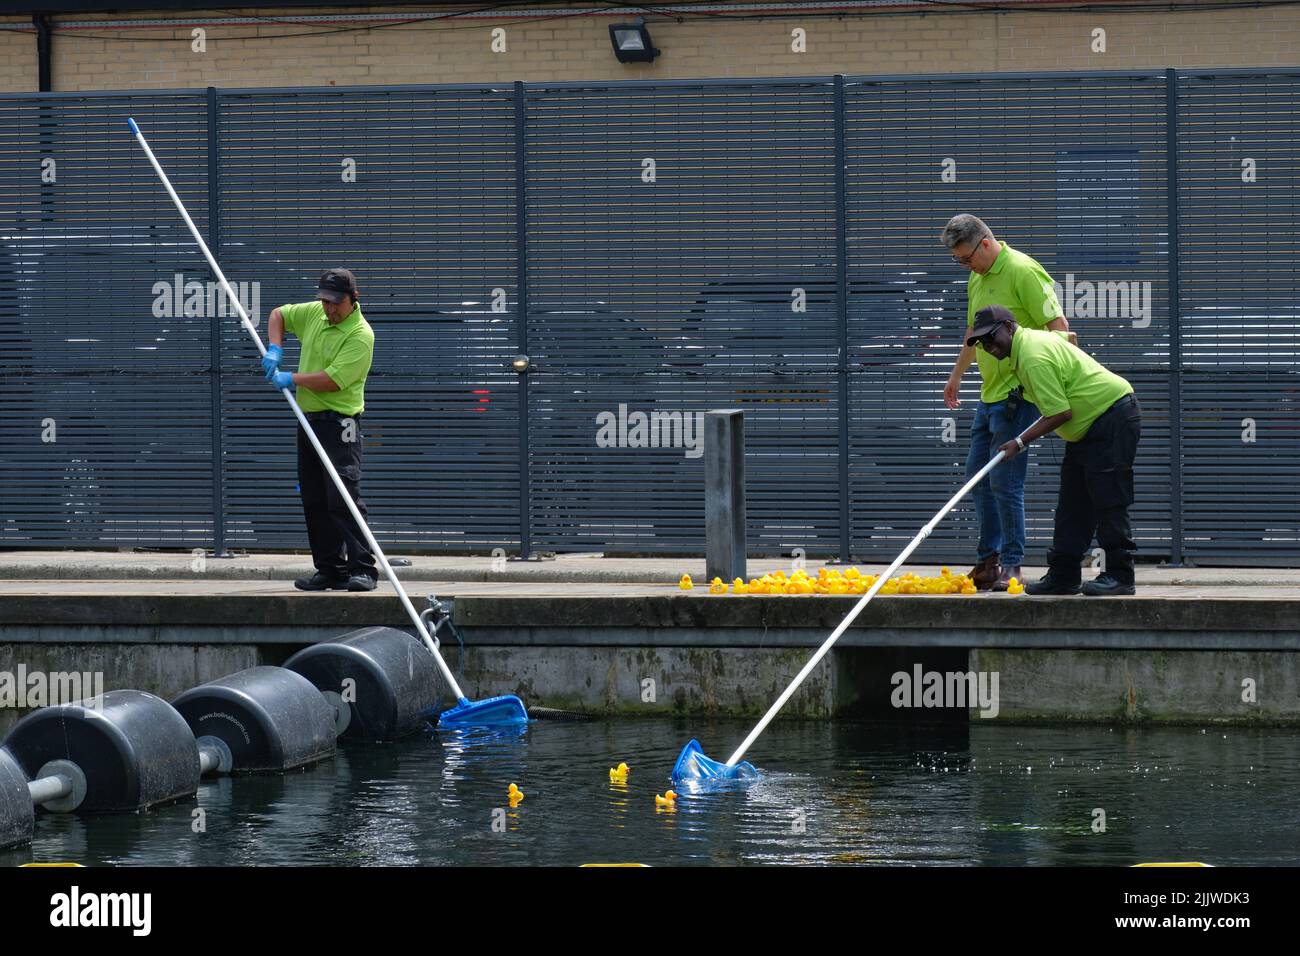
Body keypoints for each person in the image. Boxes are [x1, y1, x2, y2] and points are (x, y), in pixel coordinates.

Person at [966, 305, 1141, 596]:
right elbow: (1065, 341)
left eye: (991, 337)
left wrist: (1019, 442)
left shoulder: (1032, 356)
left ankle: (1121, 576)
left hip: (1110, 416)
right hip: (1088, 426)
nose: (988, 346)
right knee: (1072, 503)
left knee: (1109, 498)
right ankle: (1064, 575)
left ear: (1010, 327)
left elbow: (1060, 413)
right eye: (982, 342)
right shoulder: (1028, 347)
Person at [941, 214, 1071, 591]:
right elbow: (971, 331)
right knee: (976, 479)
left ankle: (1012, 563)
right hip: (988, 393)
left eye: (966, 258)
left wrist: (1043, 383)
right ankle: (988, 561)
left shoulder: (1024, 271)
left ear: (985, 243)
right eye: (959, 262)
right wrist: (957, 374)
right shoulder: (976, 276)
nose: (965, 266)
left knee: (1005, 482)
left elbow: (1060, 330)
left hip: (1018, 394)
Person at [262, 268, 378, 592]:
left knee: (342, 496)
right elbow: (278, 316)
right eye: (325, 302)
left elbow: (331, 380)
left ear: (353, 300)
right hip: (309, 418)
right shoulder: (316, 313)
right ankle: (330, 568)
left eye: (335, 303)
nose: (329, 309)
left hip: (341, 423)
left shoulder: (360, 335)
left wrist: (292, 378)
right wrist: (275, 347)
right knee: (314, 497)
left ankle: (363, 569)